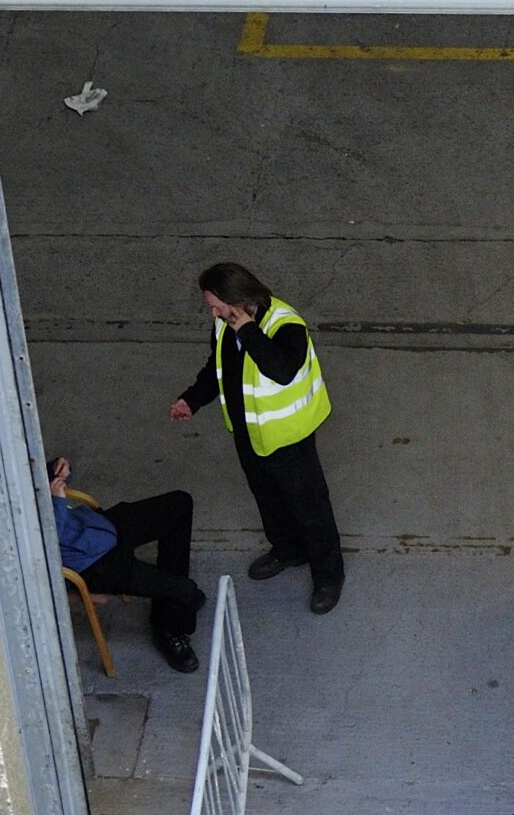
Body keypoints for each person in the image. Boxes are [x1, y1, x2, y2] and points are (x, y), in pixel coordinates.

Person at [169, 261, 344, 613]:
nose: (213, 313)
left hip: (289, 438)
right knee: (268, 498)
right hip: (249, 434)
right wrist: (192, 399)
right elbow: (217, 369)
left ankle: (328, 576)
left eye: (216, 305)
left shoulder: (285, 325)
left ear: (237, 299)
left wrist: (247, 331)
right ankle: (287, 550)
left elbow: (280, 370)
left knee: (310, 508)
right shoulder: (223, 325)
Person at [46, 454, 204, 673]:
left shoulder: (8, 474)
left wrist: (58, 469)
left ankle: (170, 603)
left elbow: (42, 479)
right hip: (96, 565)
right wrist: (58, 501)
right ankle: (168, 629)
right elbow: (46, 539)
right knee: (187, 591)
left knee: (179, 503)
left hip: (100, 527)